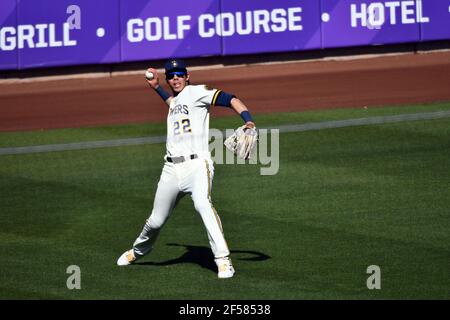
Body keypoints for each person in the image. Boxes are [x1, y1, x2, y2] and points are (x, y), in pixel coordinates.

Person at [117, 59, 256, 279]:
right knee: (156, 220)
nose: (175, 78)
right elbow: (174, 105)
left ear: (187, 76)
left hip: (197, 166)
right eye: (171, 76)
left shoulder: (198, 92)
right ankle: (137, 251)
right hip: (170, 169)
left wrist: (248, 121)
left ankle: (223, 261)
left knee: (203, 205)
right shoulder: (176, 101)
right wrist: (157, 89)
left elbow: (231, 99)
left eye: (179, 74)